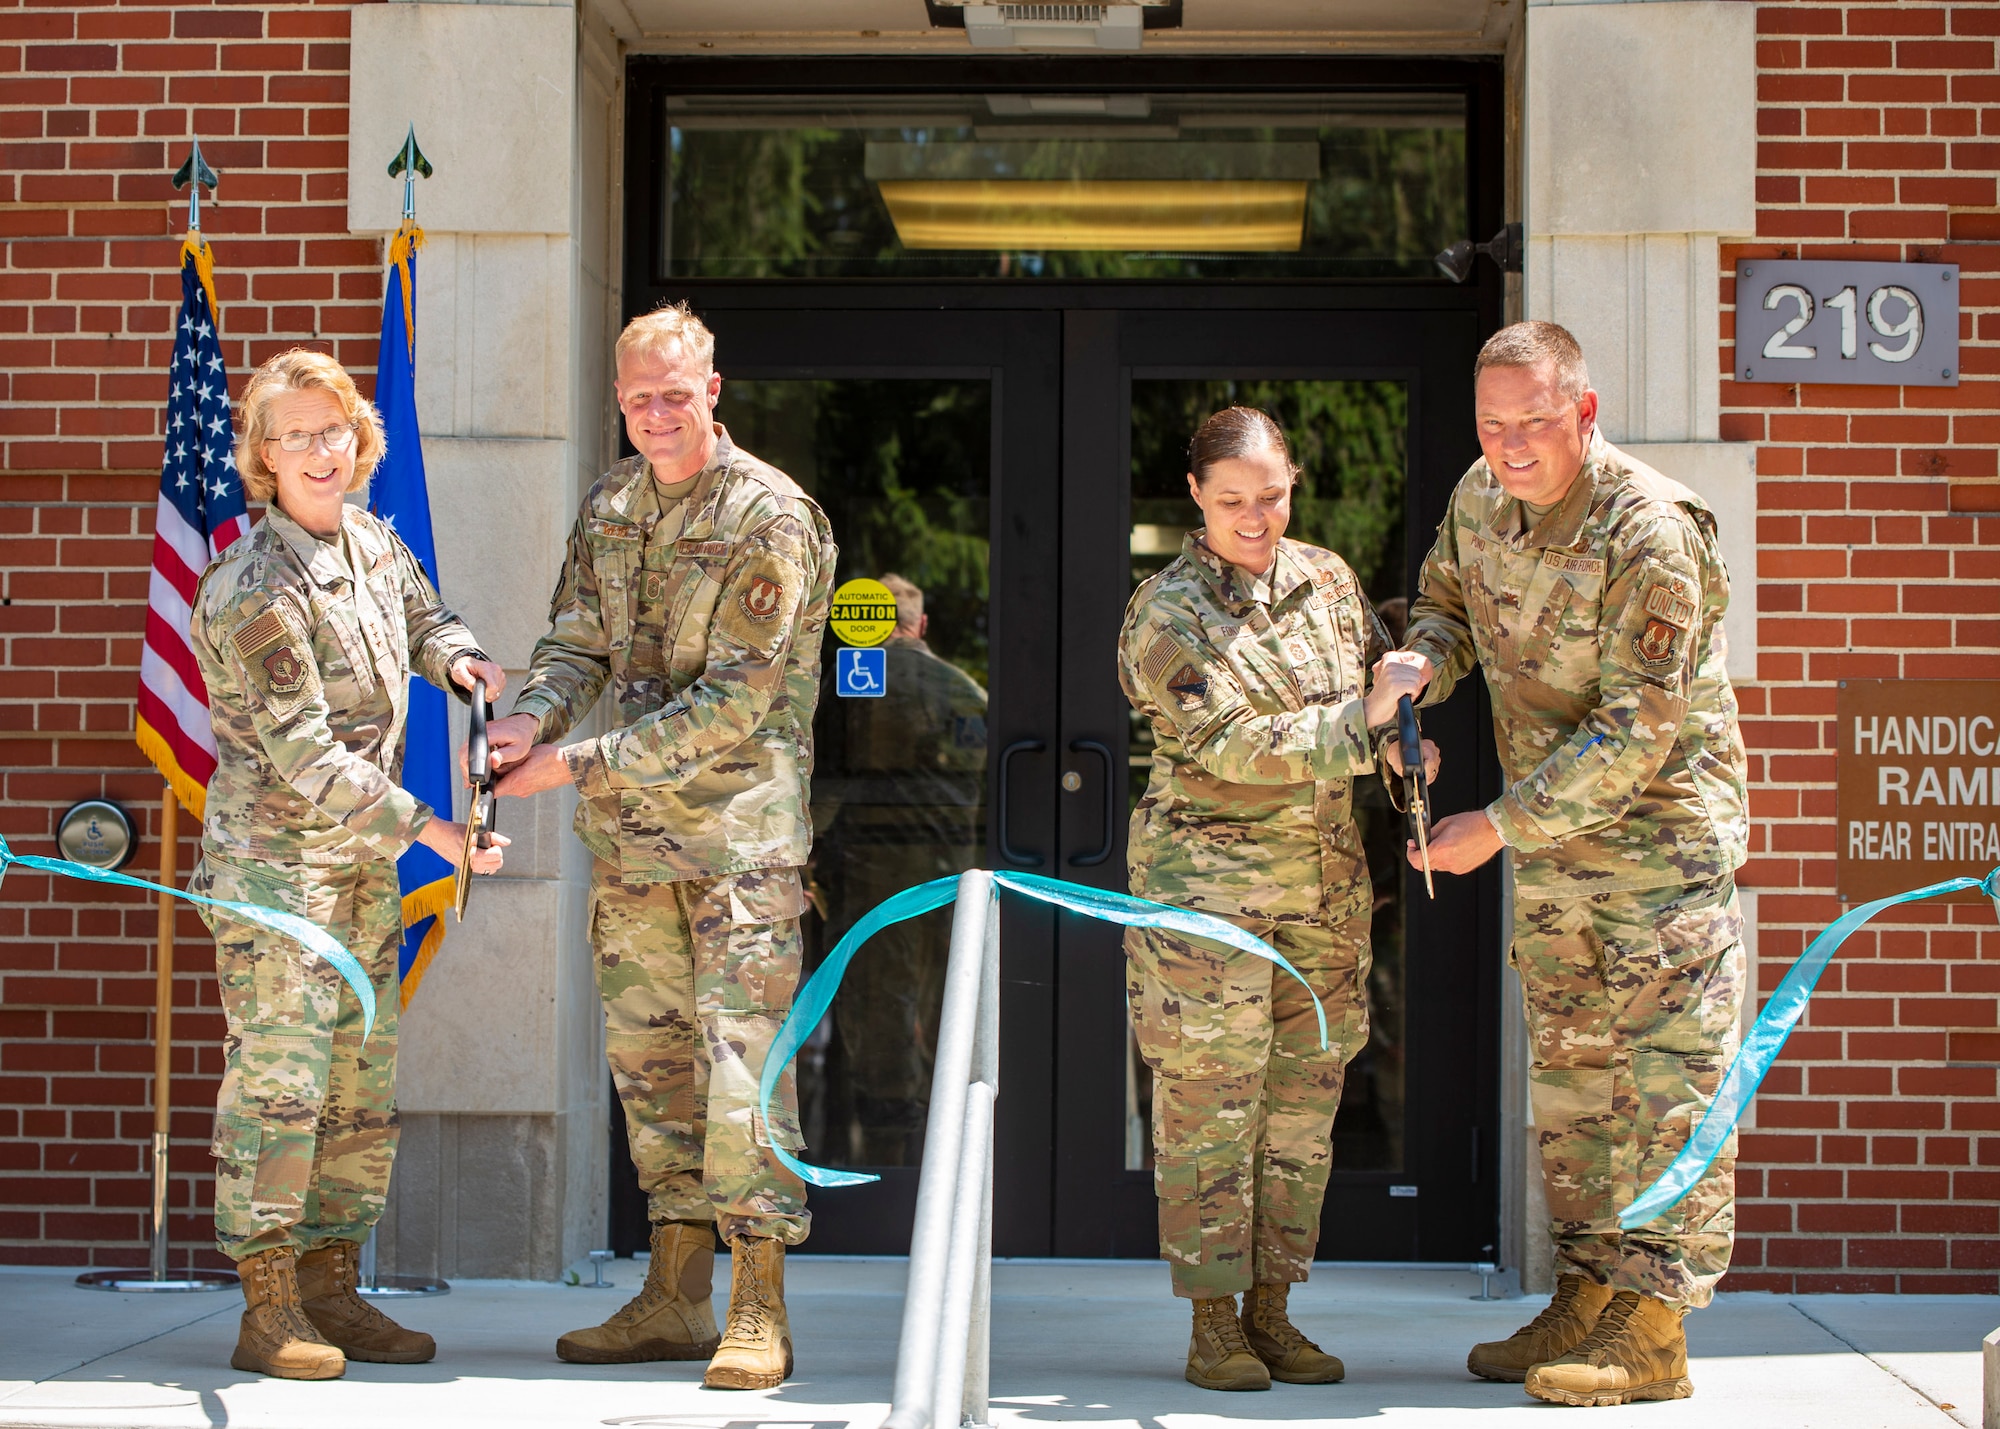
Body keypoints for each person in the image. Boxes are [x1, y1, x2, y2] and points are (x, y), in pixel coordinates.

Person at [483, 301, 836, 1390]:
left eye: (674, 393)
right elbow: (574, 641)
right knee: (652, 1071)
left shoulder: (770, 516)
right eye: (638, 398)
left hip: (737, 846)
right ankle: (673, 1298)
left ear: (712, 390)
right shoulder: (611, 507)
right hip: (634, 848)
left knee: (741, 1070)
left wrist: (570, 766)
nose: (656, 414)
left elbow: (734, 703)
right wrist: (530, 718)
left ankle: (758, 1303)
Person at [1397, 320, 1749, 1408]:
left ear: (1582, 413)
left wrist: (1492, 828)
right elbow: (1444, 604)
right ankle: (1587, 1290)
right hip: (1554, 857)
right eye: (1492, 424)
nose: (1510, 445)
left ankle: (1652, 1329)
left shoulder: (1649, 529)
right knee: (1575, 1088)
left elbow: (1635, 730)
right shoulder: (1477, 497)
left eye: (1533, 423)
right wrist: (1421, 665)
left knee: (1664, 1085)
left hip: (1655, 851)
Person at [188, 348, 508, 1381]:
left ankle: (333, 1284)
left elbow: (423, 616)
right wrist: (440, 833)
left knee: (358, 1087)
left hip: (361, 868)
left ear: (359, 440)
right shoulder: (250, 587)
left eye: (333, 430)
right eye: (294, 436)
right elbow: (305, 753)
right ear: (262, 457)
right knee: (281, 1085)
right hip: (280, 872)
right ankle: (268, 1302)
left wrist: (457, 656)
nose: (320, 452)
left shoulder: (372, 539)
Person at [1117, 406, 1436, 1393]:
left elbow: (1365, 714)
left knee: (1302, 1108)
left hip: (1323, 897)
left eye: (1271, 495)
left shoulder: (1330, 581)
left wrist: (1398, 750)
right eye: (1231, 501)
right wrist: (1361, 720)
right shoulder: (1160, 612)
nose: (1254, 517)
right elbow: (1227, 743)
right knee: (1210, 1105)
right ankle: (1212, 1319)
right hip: (1204, 905)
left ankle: (1272, 1308)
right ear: (1195, 500)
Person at [809, 572, 986, 1165]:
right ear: (923, 625)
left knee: (880, 1012)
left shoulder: (843, 690)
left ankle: (891, 1159)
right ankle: (951, 1154)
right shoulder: (964, 690)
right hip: (954, 874)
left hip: (871, 875)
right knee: (948, 1010)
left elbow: (822, 787)